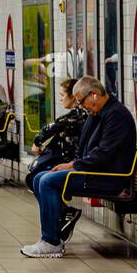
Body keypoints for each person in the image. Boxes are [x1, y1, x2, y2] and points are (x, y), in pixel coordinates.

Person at [22, 75, 137, 258]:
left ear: (93, 95)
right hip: (92, 171)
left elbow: (104, 154)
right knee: (37, 178)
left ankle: (51, 241)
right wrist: (71, 164)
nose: (81, 106)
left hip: (107, 177)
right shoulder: (96, 113)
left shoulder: (116, 115)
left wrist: (75, 166)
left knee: (47, 182)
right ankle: (59, 227)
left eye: (81, 101)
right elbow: (84, 149)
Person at [25, 78, 87, 242]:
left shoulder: (77, 116)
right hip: (74, 160)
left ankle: (56, 225)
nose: (60, 98)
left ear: (74, 97)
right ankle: (61, 215)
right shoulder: (81, 116)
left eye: (62, 95)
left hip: (74, 162)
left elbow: (51, 127)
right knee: (36, 178)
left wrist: (37, 141)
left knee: (38, 178)